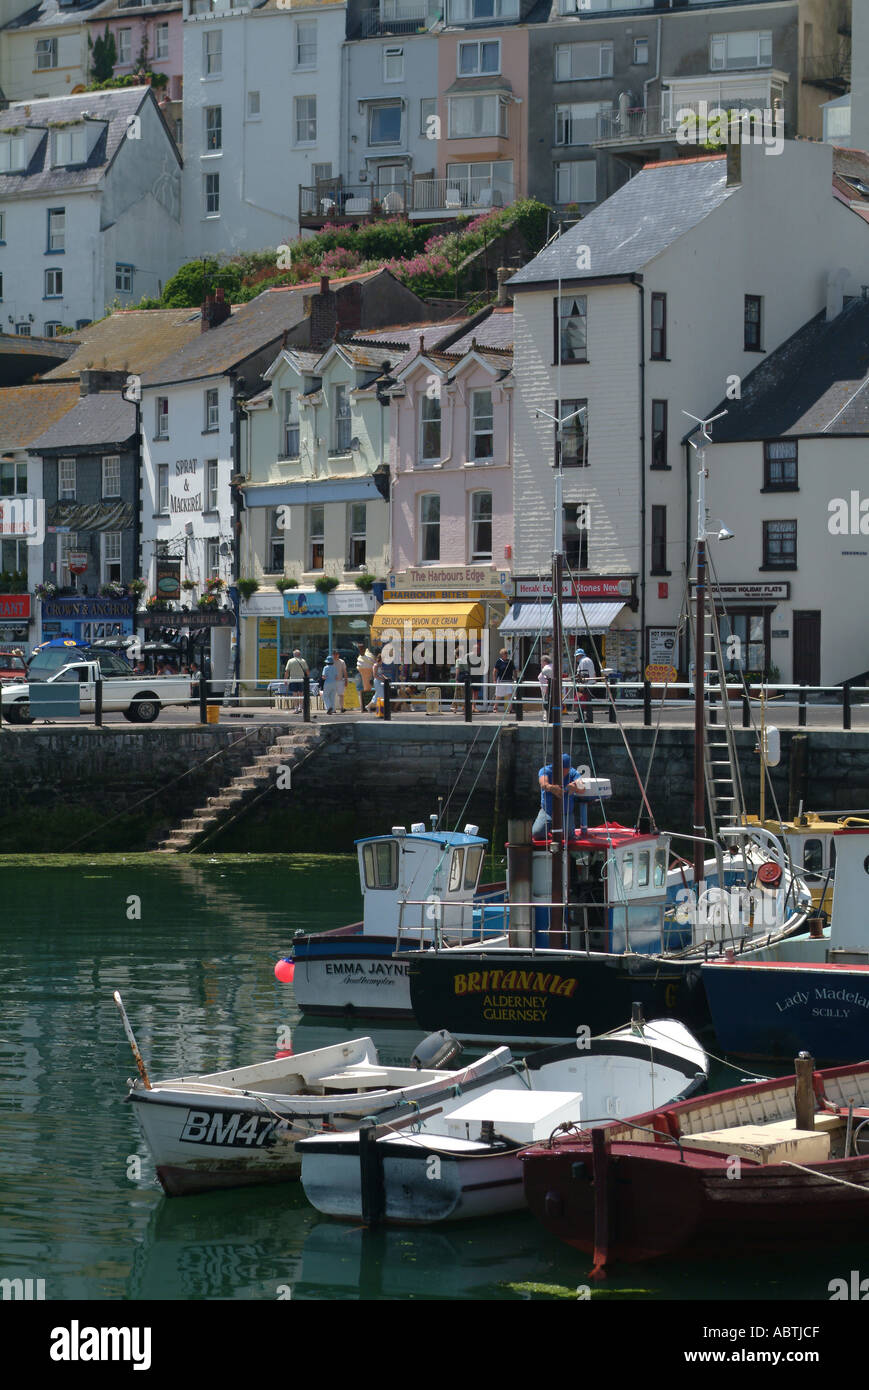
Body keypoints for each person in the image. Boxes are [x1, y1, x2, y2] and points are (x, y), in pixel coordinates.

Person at [532, 753, 585, 841]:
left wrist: (574, 786)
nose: (564, 772)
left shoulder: (573, 773)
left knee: (568, 836)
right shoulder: (546, 770)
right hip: (548, 811)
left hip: (565, 812)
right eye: (562, 769)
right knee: (536, 834)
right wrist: (551, 788)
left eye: (566, 770)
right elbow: (543, 784)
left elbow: (582, 788)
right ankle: (548, 831)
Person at [575, 647, 597, 723]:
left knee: (582, 701)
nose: (576, 658)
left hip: (585, 684)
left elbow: (584, 674)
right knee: (587, 701)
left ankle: (584, 718)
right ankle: (585, 717)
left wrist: (581, 685)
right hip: (590, 683)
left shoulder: (583, 661)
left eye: (576, 656)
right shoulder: (589, 660)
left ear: (579, 655)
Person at [284, 648, 309, 713]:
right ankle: (301, 707)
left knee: (294, 694)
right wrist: (307, 678)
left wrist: (285, 680)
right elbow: (307, 671)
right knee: (301, 694)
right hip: (301, 680)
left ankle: (296, 708)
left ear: (294, 654)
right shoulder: (303, 661)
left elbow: (287, 671)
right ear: (299, 654)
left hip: (293, 679)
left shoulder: (290, 661)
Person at [493, 647, 515, 713]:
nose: (506, 654)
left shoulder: (510, 662)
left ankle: (510, 709)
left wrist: (515, 678)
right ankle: (495, 707)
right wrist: (494, 680)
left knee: (509, 694)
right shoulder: (499, 661)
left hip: (509, 680)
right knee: (498, 695)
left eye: (506, 653)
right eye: (504, 653)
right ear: (501, 654)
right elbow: (494, 671)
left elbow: (514, 670)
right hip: (501, 680)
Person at [355, 641, 375, 709]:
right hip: (363, 672)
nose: (360, 650)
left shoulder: (367, 656)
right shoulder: (362, 656)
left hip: (365, 671)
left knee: (366, 687)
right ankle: (365, 704)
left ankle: (366, 704)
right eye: (359, 648)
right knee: (364, 687)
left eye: (361, 648)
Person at [538, 655, 554, 722]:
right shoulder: (552, 666)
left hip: (547, 688)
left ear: (544, 661)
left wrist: (546, 688)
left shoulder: (547, 668)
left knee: (546, 703)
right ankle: (549, 717)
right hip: (551, 688)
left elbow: (543, 677)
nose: (541, 663)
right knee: (550, 703)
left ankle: (546, 717)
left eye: (541, 662)